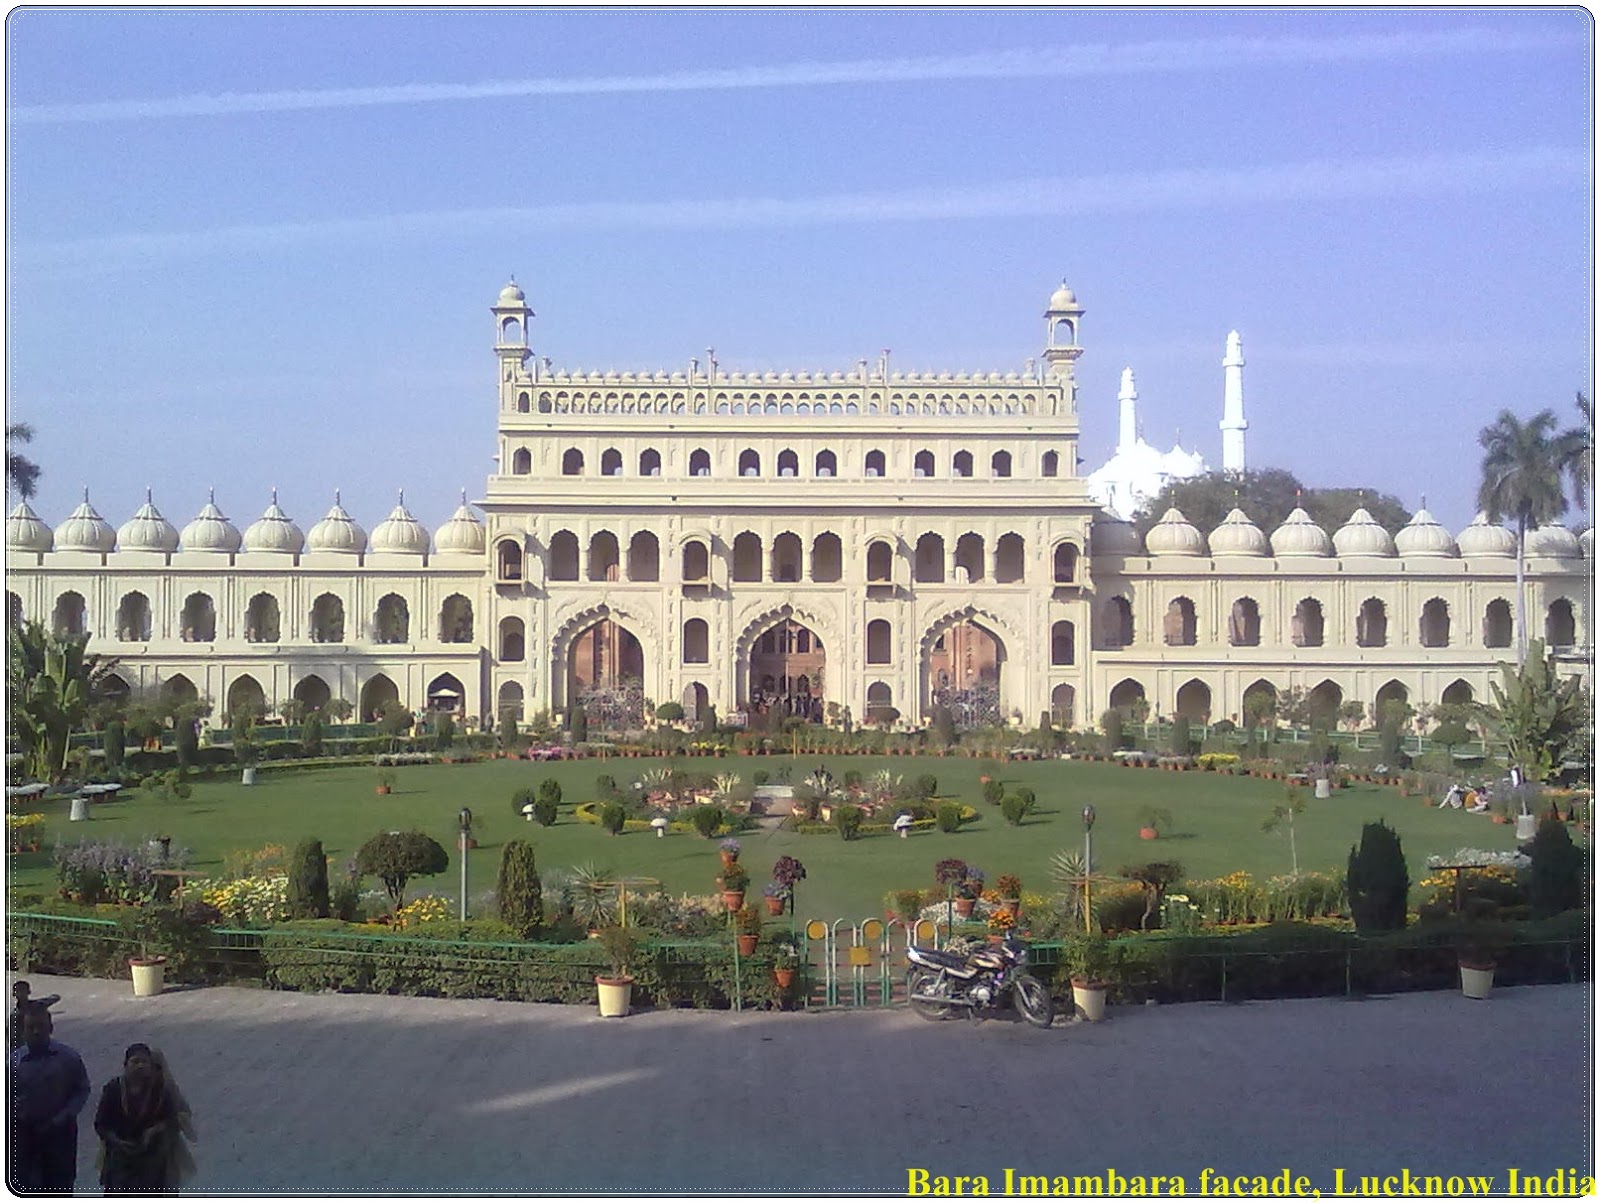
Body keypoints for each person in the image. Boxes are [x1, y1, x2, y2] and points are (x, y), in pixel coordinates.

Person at [9, 1001, 91, 1195]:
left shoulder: (68, 1058)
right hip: (23, 1134)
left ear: (51, 1028)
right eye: (31, 1027)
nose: (36, 1032)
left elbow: (81, 1090)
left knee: (60, 1184)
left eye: (41, 1027)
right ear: (22, 1031)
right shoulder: (12, 1063)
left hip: (59, 1134)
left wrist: (63, 1117)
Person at [94, 1043, 183, 1194]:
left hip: (152, 1159)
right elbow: (101, 1124)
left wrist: (152, 1132)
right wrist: (117, 1141)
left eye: (144, 1062)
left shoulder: (160, 1090)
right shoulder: (113, 1089)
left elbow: (172, 1120)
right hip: (120, 1159)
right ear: (125, 1065)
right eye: (135, 1061)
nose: (140, 1066)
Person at [10, 980, 61, 1050]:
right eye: (18, 991)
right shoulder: (14, 1016)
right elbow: (12, 1039)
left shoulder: (38, 1004)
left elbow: (55, 998)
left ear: (29, 992)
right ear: (14, 994)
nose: (21, 994)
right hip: (25, 1047)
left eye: (23, 990)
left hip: (44, 1042)